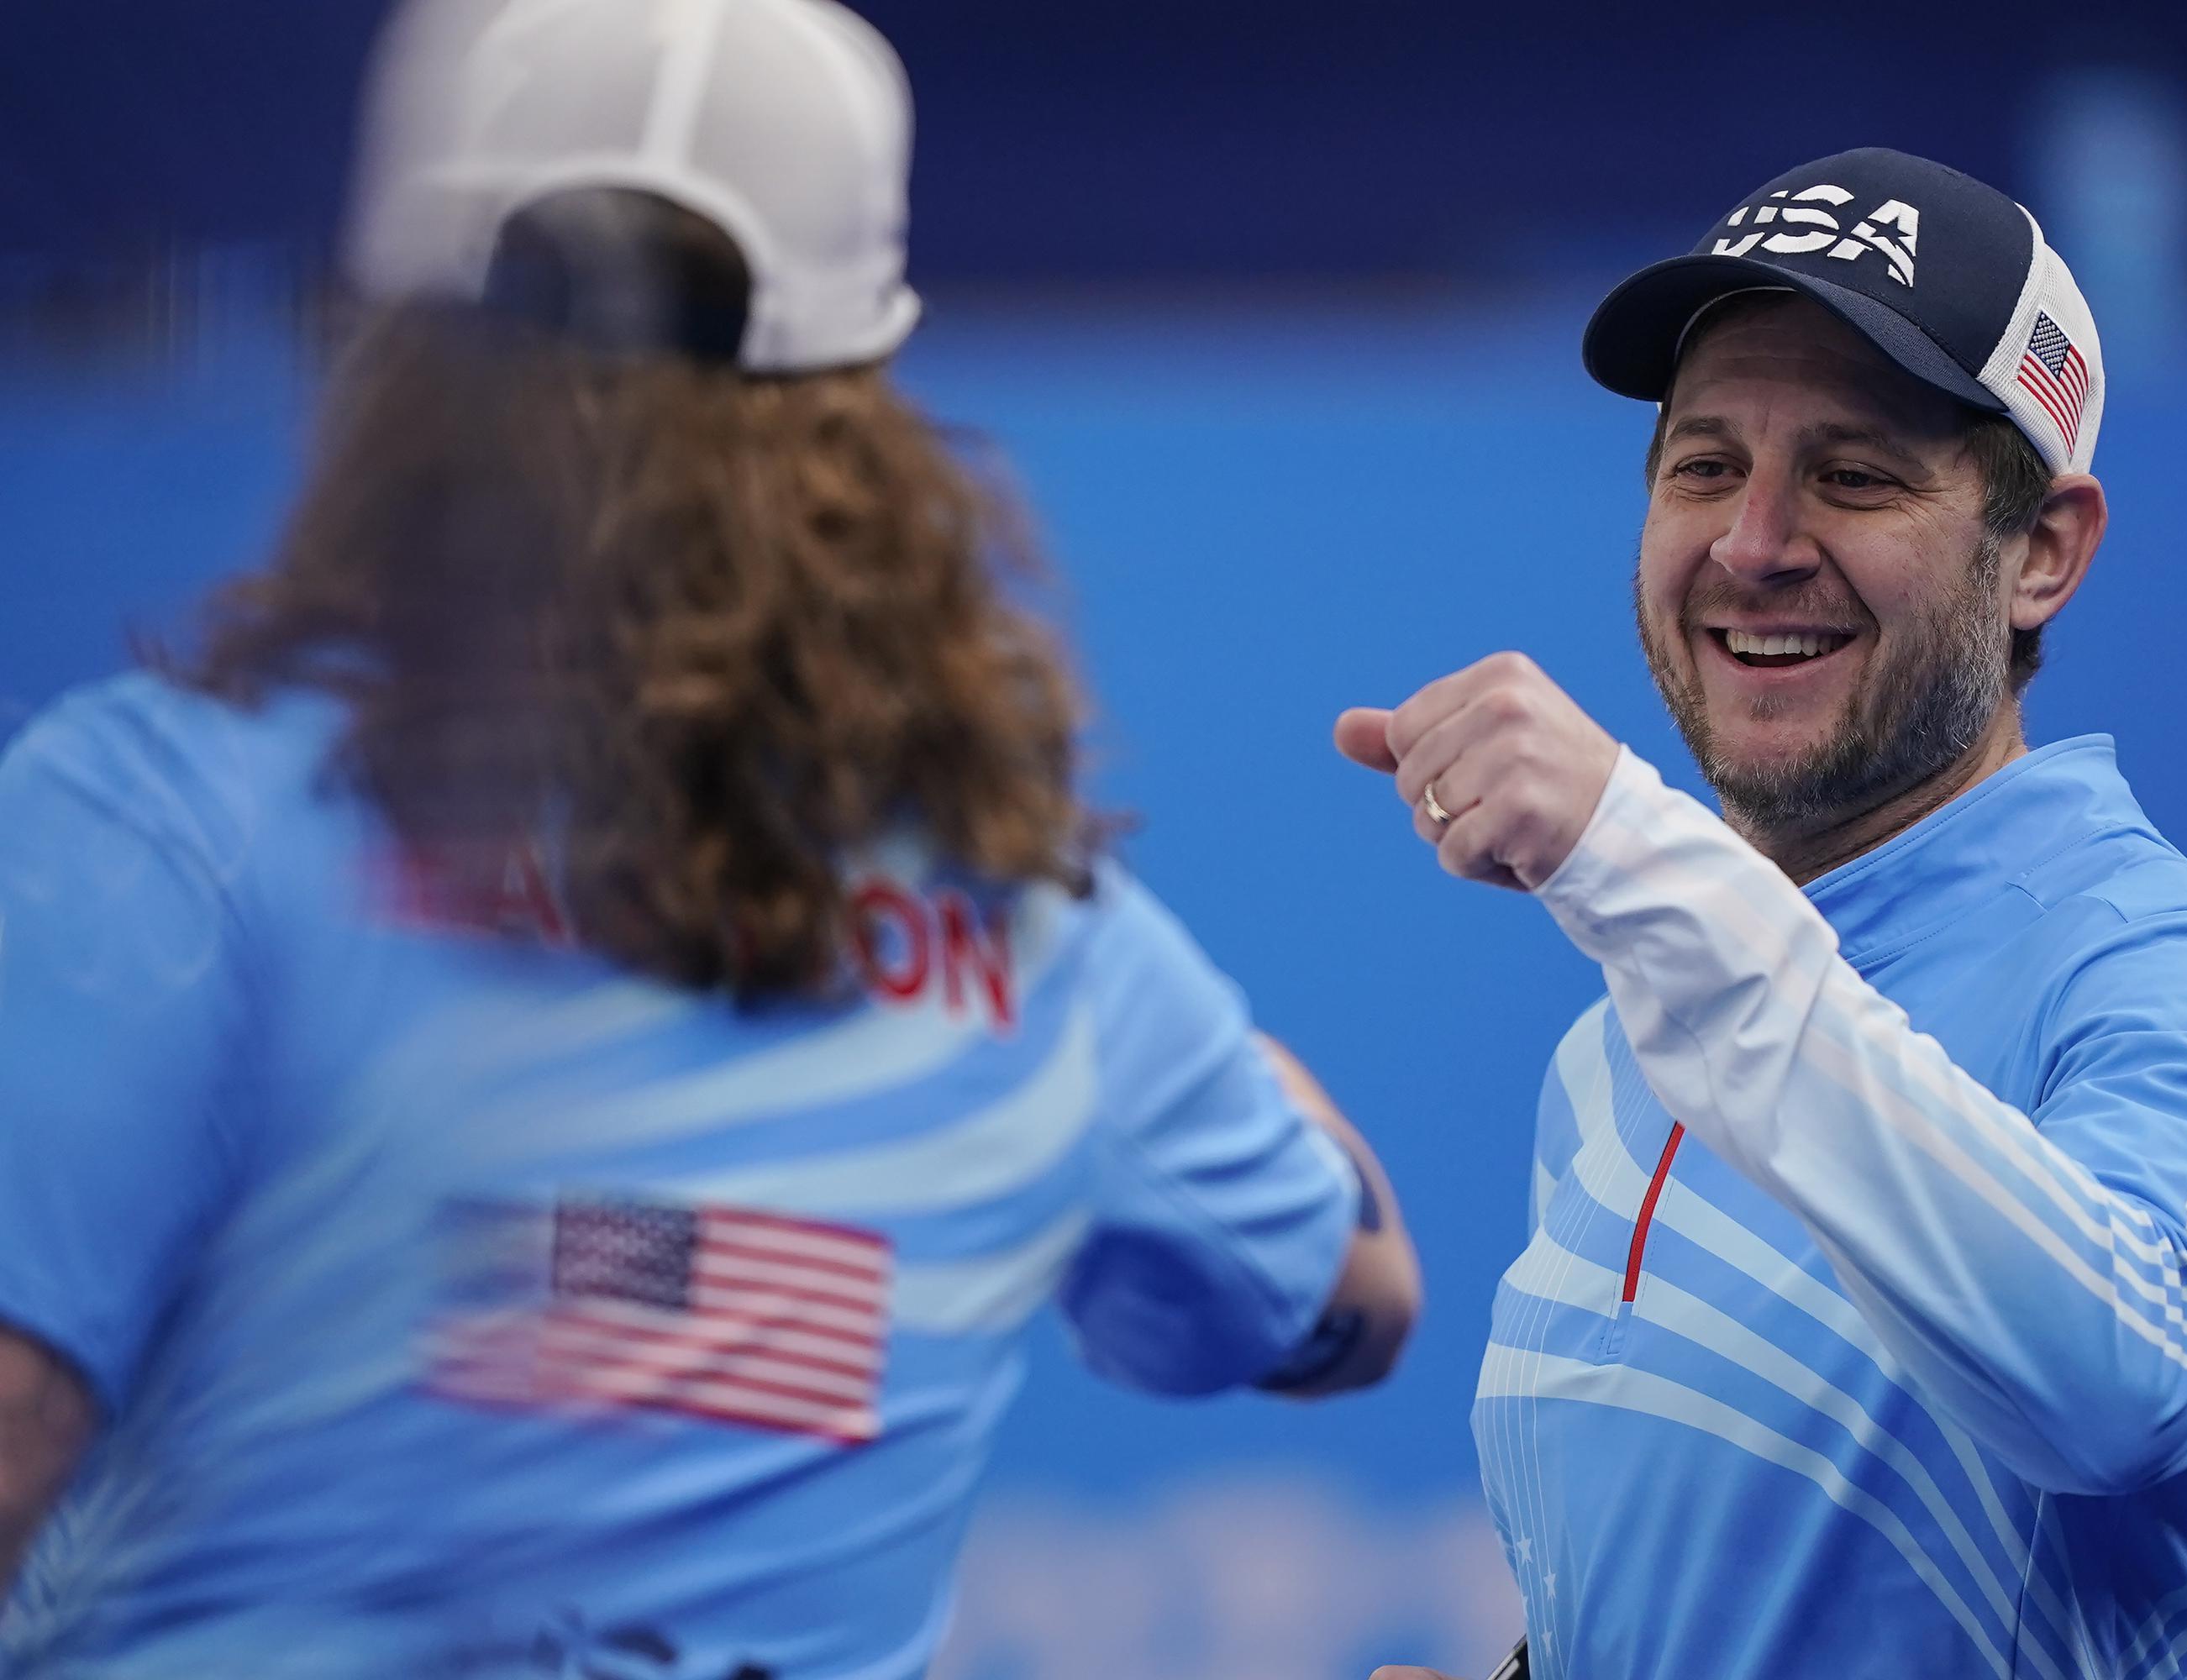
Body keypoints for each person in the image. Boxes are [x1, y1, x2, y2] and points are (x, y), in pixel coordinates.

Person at [0, 3, 1417, 1675]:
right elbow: (1356, 1292)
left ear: (392, 349)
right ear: (854, 415)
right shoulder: (1043, 946)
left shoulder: (160, 826)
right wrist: (1175, 1069)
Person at [1343, 148, 2187, 1679]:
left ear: (2041, 553)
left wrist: (1639, 859)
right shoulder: (1624, 1043)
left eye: (1855, 476)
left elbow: (2116, 1382)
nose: (1754, 545)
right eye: (1705, 467)